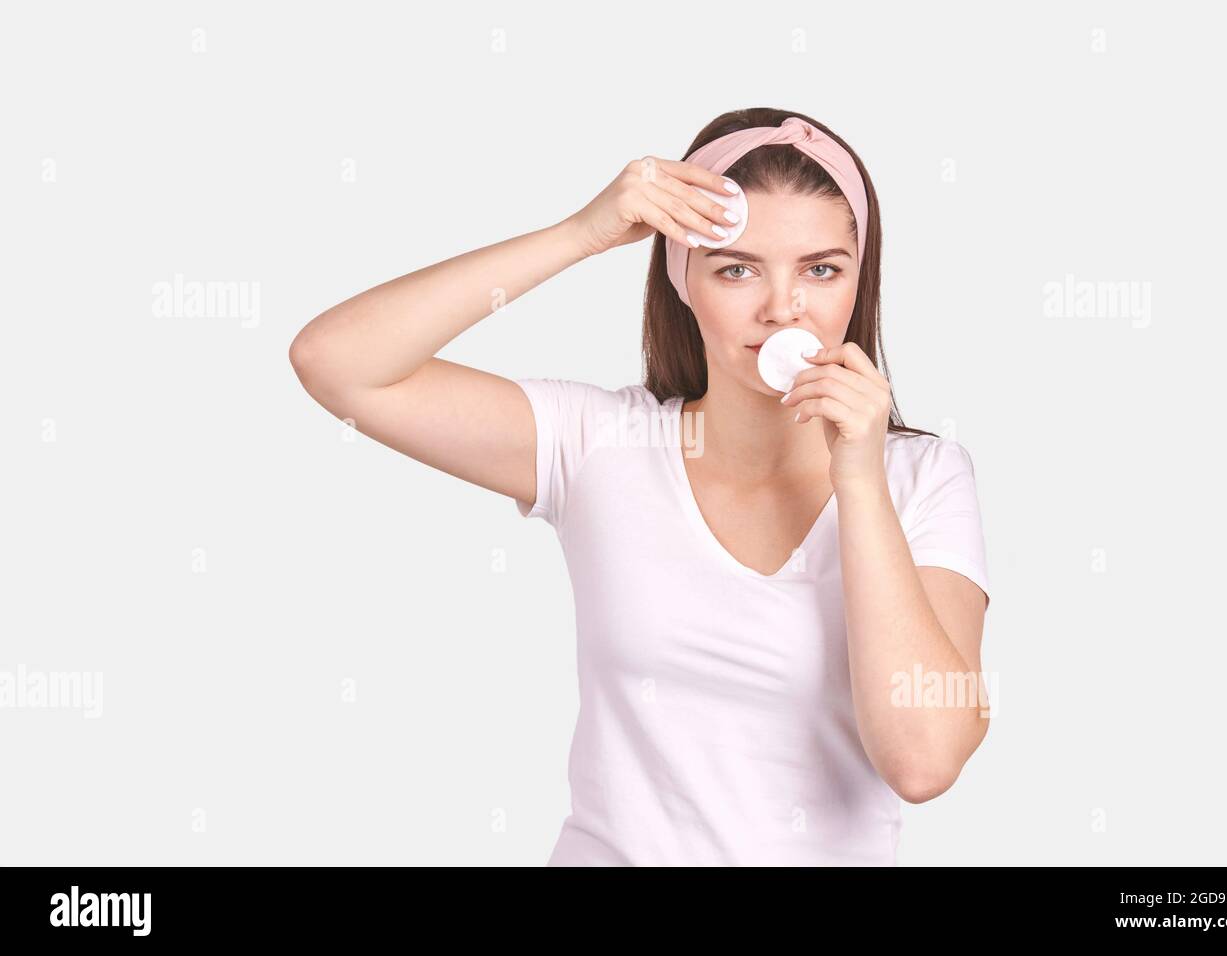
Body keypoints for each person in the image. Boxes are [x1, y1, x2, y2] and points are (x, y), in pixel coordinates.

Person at [289, 108, 993, 866]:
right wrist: (581, 234)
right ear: (682, 278)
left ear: (860, 281)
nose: (782, 307)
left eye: (821, 269)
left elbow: (923, 761)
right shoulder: (601, 444)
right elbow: (337, 362)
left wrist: (859, 481)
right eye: (736, 268)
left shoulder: (923, 478)